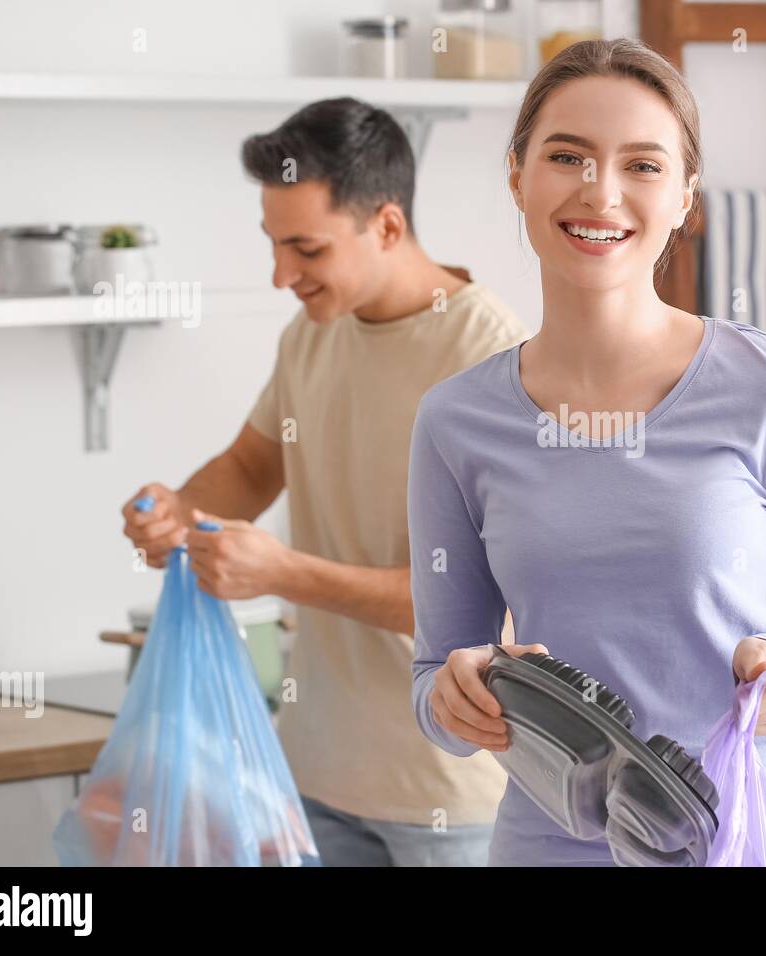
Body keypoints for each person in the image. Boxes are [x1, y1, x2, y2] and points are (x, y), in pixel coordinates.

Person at [407, 39, 766, 866]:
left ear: (683, 198)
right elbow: (433, 680)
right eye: (568, 157)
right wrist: (455, 698)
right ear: (518, 175)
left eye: (642, 164)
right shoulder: (455, 422)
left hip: (757, 839)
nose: (601, 191)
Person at [121, 97, 527, 866]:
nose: (282, 275)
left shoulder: (488, 354)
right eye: (275, 246)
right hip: (313, 779)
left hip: (447, 793)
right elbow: (250, 465)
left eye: (305, 249)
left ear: (386, 225)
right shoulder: (312, 337)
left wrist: (285, 575)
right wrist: (177, 510)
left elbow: (483, 600)